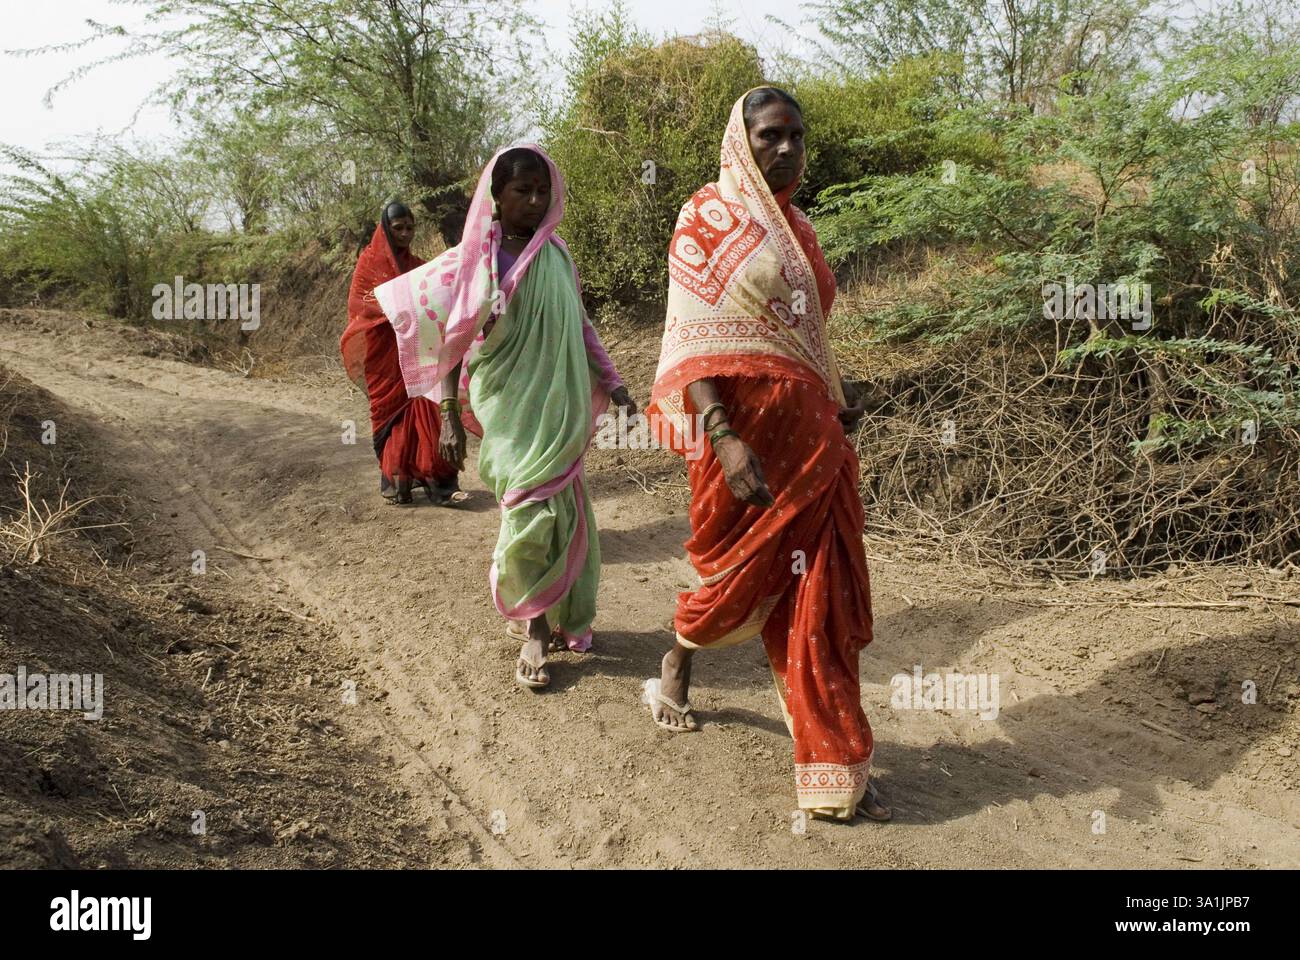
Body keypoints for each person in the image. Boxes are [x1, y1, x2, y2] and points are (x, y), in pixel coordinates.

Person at [644, 87, 890, 822]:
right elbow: (691, 350)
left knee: (821, 604)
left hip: (812, 445)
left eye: (797, 139)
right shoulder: (705, 219)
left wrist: (838, 406)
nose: (786, 150)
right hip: (742, 446)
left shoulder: (803, 231)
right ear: (738, 141)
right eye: (769, 136)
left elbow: (805, 345)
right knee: (732, 588)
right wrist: (724, 438)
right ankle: (678, 658)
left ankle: (836, 766)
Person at [375, 146, 635, 689]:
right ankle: (534, 623)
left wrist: (614, 382)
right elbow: (449, 340)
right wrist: (448, 413)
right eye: (523, 191)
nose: (535, 202)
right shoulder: (474, 260)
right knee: (525, 510)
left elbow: (581, 327)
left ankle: (556, 615)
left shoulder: (558, 256)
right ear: (496, 196)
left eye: (543, 191)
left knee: (562, 511)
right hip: (510, 405)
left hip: (559, 405)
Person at [341, 201, 465, 505]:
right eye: (399, 228)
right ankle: (397, 481)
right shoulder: (368, 265)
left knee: (427, 409)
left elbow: (430, 298)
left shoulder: (418, 267)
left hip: (416, 351)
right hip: (384, 355)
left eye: (410, 228)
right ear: (385, 229)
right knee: (391, 417)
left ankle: (441, 484)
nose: (406, 234)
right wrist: (396, 309)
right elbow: (361, 306)